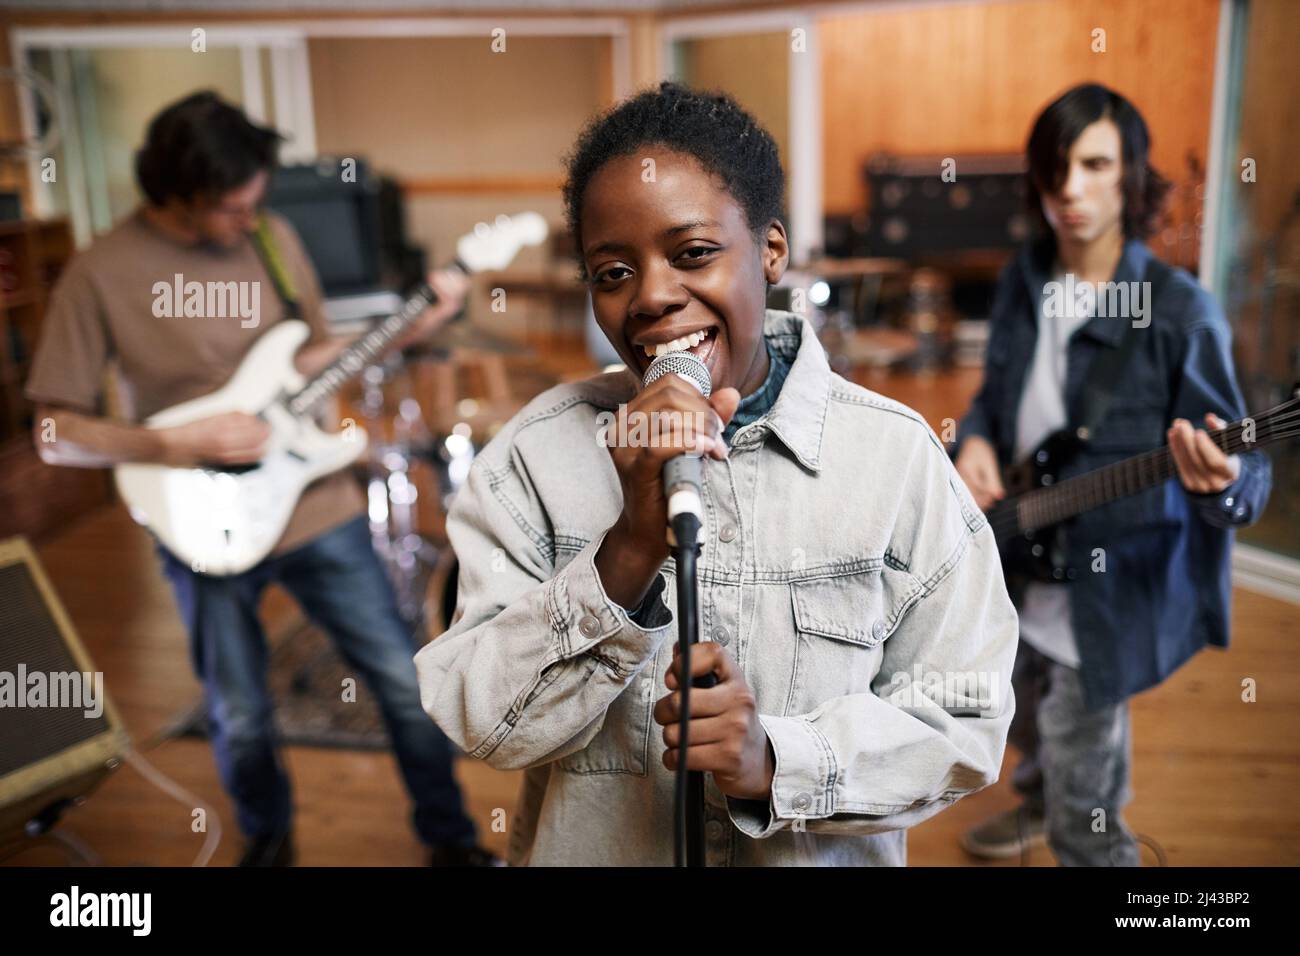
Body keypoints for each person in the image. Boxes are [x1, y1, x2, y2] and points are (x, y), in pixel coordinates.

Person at [415, 83, 1020, 866]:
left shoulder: (895, 459)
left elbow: (963, 718)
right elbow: (480, 717)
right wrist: (629, 548)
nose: (654, 296)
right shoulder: (532, 460)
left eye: (694, 253)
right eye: (612, 272)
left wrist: (775, 760)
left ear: (771, 250)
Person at [26, 91, 499, 867]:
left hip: (315, 505)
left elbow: (307, 355)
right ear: (175, 195)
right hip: (197, 517)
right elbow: (53, 432)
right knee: (240, 711)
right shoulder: (98, 271)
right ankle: (270, 849)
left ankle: (452, 844)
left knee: (403, 676)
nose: (249, 221)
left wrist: (405, 326)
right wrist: (172, 440)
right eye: (230, 210)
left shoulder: (273, 237)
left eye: (255, 203)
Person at [954, 84, 1273, 865]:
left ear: (1130, 176)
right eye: (1055, 167)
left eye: (1094, 164)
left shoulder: (1180, 313)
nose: (1070, 188)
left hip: (1106, 589)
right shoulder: (1023, 281)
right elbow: (994, 397)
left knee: (1083, 786)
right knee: (1024, 712)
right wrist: (974, 442)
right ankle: (1036, 802)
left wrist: (1219, 478)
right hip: (1017, 554)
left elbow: (1248, 475)